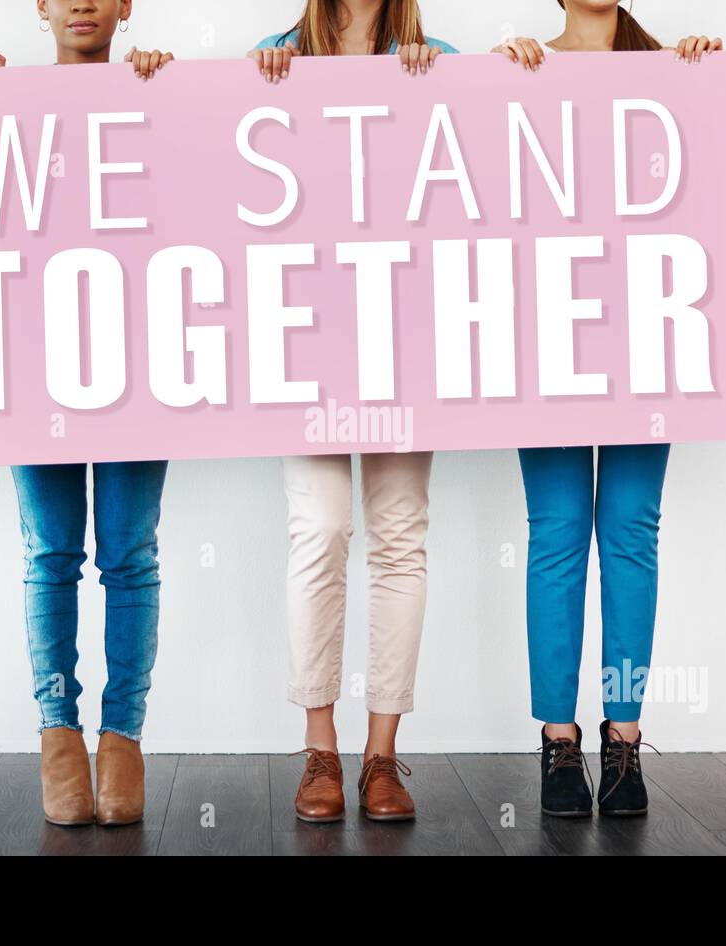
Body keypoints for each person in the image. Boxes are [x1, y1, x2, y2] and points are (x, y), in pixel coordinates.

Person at [492, 0, 722, 819]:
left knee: (630, 529)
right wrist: (494, 82)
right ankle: (559, 742)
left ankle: (622, 740)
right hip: (550, 326)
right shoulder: (522, 66)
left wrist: (697, 76)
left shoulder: (671, 67)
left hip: (645, 326)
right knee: (557, 533)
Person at [0, 0, 175, 828]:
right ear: (39, 6)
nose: (82, 0)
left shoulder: (160, 94)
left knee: (129, 554)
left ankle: (122, 739)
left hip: (137, 358)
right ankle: (57, 737)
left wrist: (171, 99)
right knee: (50, 554)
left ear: (126, 5)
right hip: (33, 357)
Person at [249, 0, 456, 824]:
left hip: (404, 330)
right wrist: (254, 87)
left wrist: (476, 79)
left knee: (400, 531)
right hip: (306, 334)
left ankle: (381, 755)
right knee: (321, 528)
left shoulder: (435, 57)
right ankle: (320, 748)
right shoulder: (275, 56)